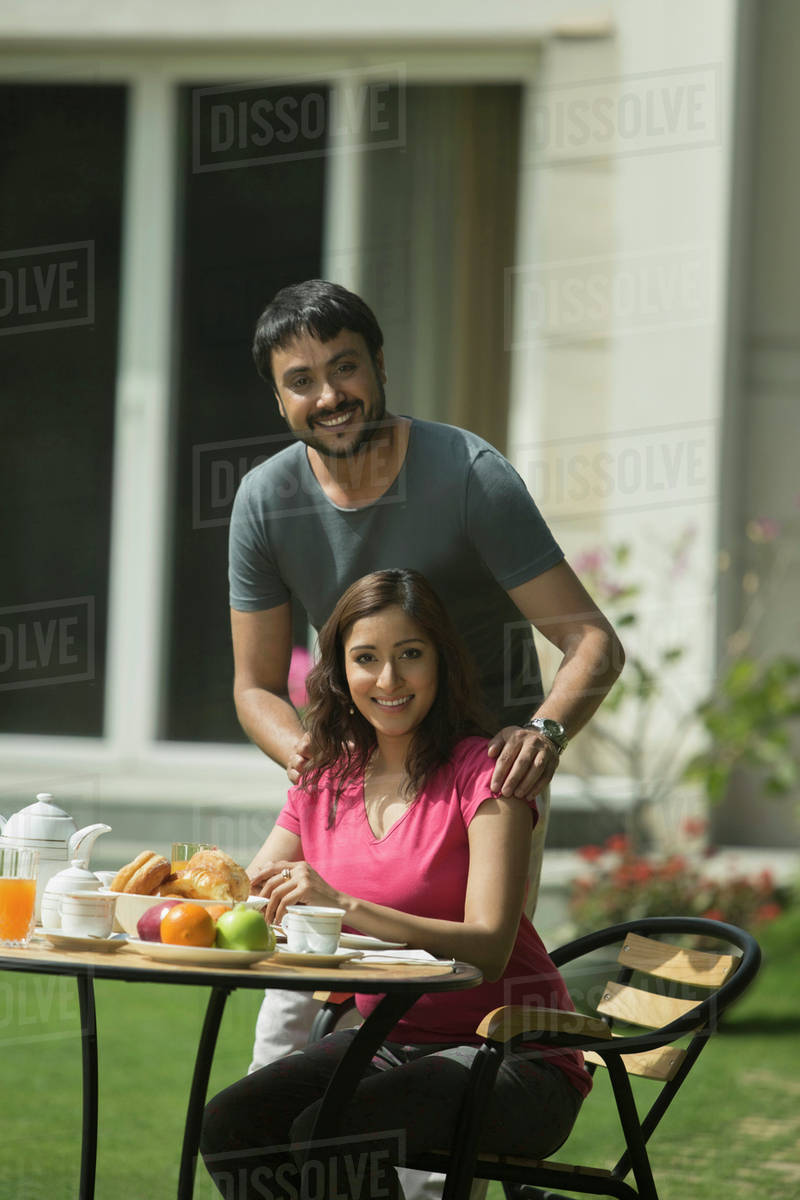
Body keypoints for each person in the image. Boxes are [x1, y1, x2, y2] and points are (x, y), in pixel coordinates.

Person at [230, 279, 623, 1197]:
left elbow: (591, 640)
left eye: (345, 368)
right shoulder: (265, 499)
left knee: (456, 1012)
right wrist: (320, 768)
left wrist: (545, 733)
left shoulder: (468, 475)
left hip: (483, 783)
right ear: (278, 399)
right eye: (301, 380)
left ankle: (468, 1173)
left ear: (378, 367)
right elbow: (253, 687)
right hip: (359, 777)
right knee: (277, 1052)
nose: (329, 395)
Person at [202, 570, 593, 1200]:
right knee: (233, 1124)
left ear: (441, 662)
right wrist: (185, 890)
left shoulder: (487, 774)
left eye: (410, 654)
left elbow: (489, 947)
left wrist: (343, 904)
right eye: (366, 658)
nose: (388, 679)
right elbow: (251, 894)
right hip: (391, 1044)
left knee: (331, 1135)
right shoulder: (324, 778)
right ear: (340, 671)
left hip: (517, 1058)